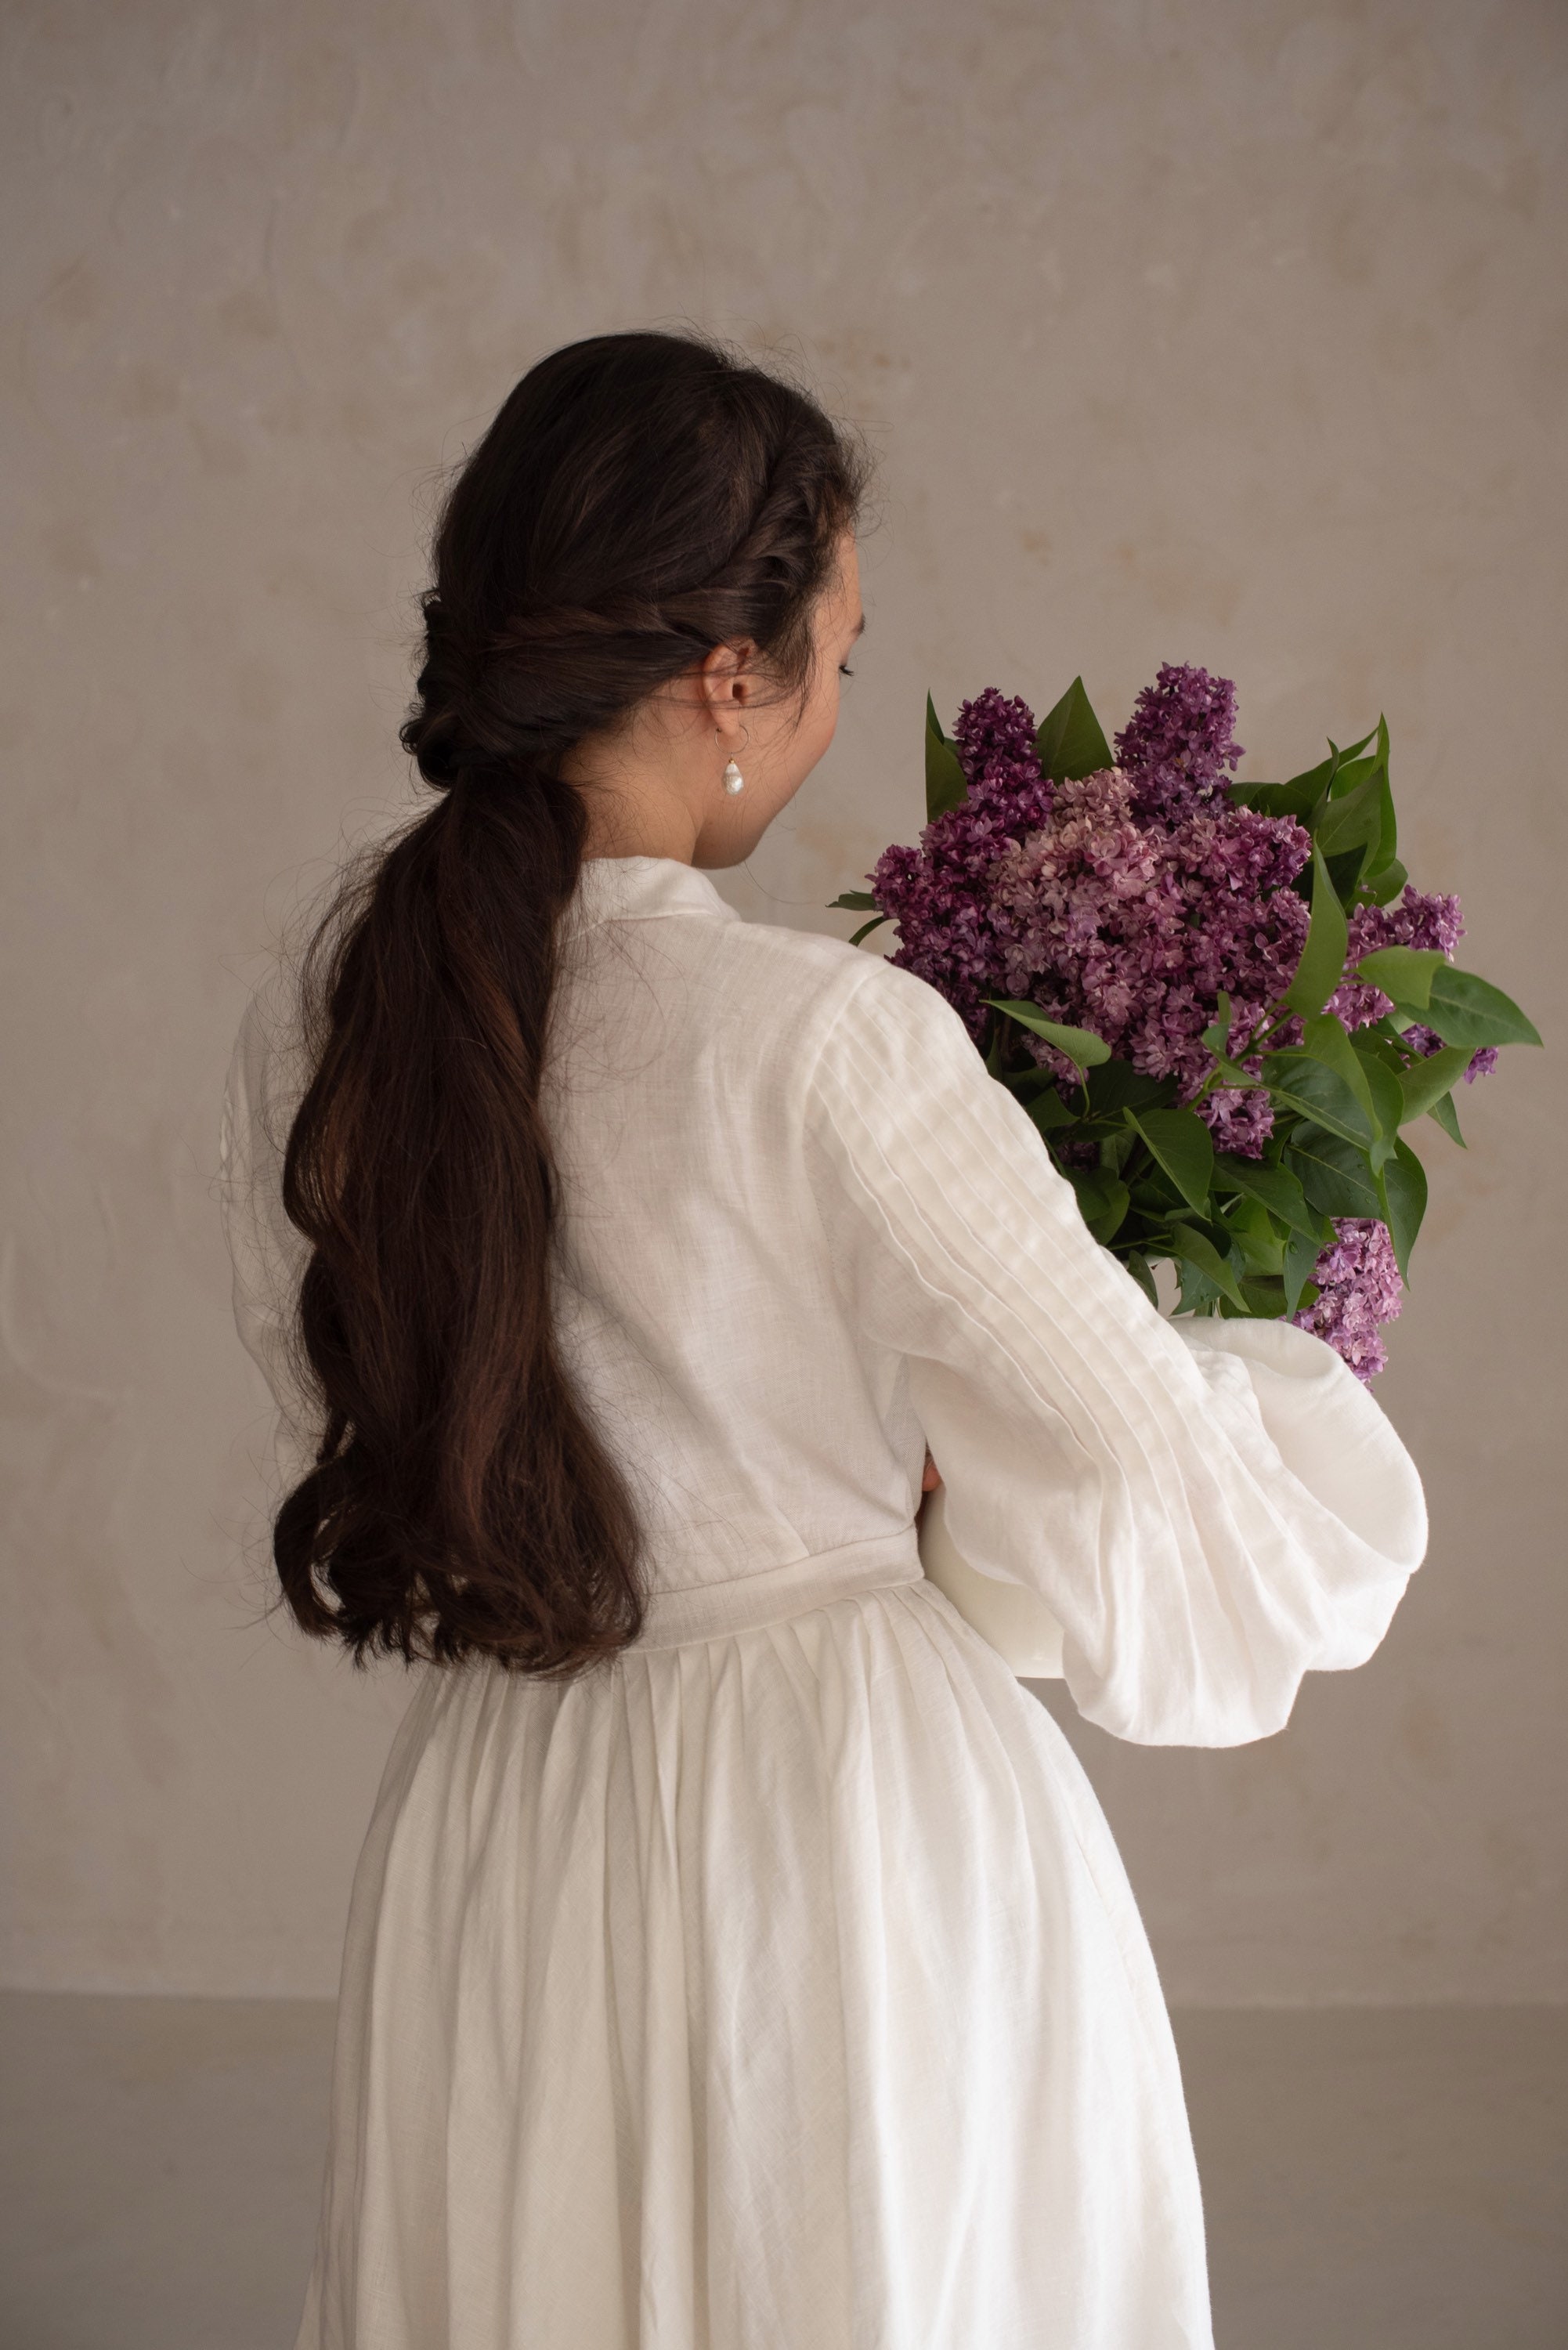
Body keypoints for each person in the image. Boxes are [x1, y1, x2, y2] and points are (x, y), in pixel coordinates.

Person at [219, 329, 1428, 2350]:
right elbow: (1158, 1478)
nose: (840, 702)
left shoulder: (395, 1028)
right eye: (842, 654)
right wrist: (1237, 1368)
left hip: (509, 1820)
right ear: (729, 677)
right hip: (832, 1840)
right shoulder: (828, 1038)